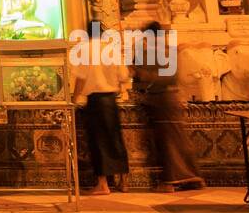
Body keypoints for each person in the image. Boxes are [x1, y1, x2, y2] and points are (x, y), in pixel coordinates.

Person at [134, 21, 204, 192]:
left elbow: (164, 77)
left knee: (169, 142)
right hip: (169, 98)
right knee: (178, 139)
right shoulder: (167, 50)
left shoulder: (151, 52)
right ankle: (192, 177)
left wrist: (142, 75)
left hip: (162, 99)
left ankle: (171, 181)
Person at [72, 45, 130, 195]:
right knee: (116, 139)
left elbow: (80, 78)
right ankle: (124, 182)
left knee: (98, 142)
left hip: (95, 101)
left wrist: (74, 98)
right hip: (111, 100)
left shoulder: (86, 50)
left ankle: (103, 184)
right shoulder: (113, 50)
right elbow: (124, 75)